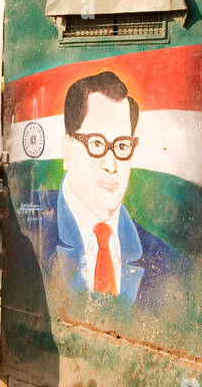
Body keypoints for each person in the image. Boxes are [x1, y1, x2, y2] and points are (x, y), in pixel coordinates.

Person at [37, 71, 184, 307]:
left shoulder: (168, 263)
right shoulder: (31, 230)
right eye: (97, 144)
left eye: (122, 145)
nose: (111, 165)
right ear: (68, 150)